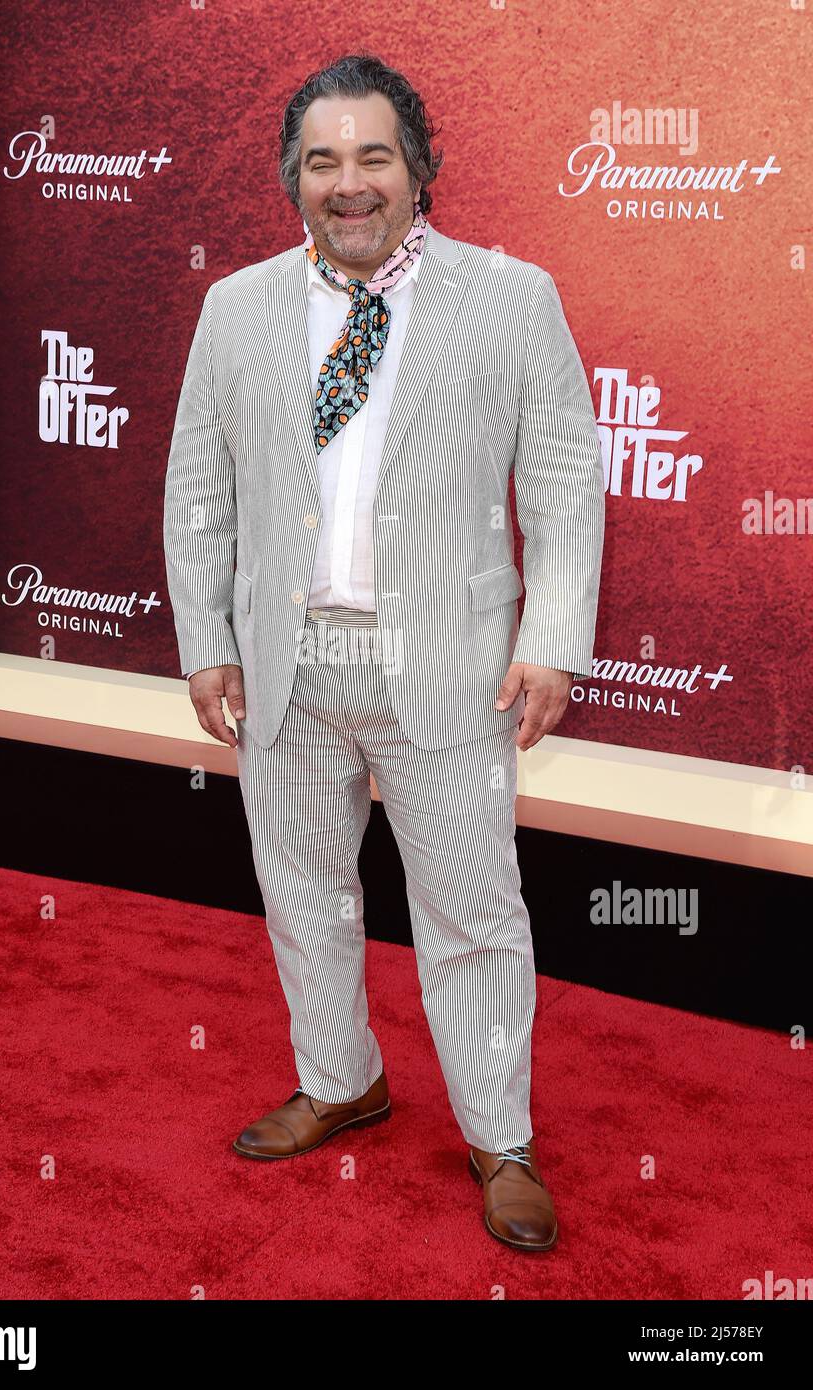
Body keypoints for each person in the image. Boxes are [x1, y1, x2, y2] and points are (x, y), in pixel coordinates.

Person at [163, 52, 604, 1252]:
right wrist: (206, 638)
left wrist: (553, 638)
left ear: (420, 170)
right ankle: (341, 1079)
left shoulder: (511, 299)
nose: (347, 183)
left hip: (450, 664)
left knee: (472, 914)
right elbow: (198, 486)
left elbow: (566, 486)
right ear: (292, 180)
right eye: (322, 160)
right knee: (304, 892)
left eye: (373, 157)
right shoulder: (236, 308)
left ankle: (499, 1136)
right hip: (284, 665)